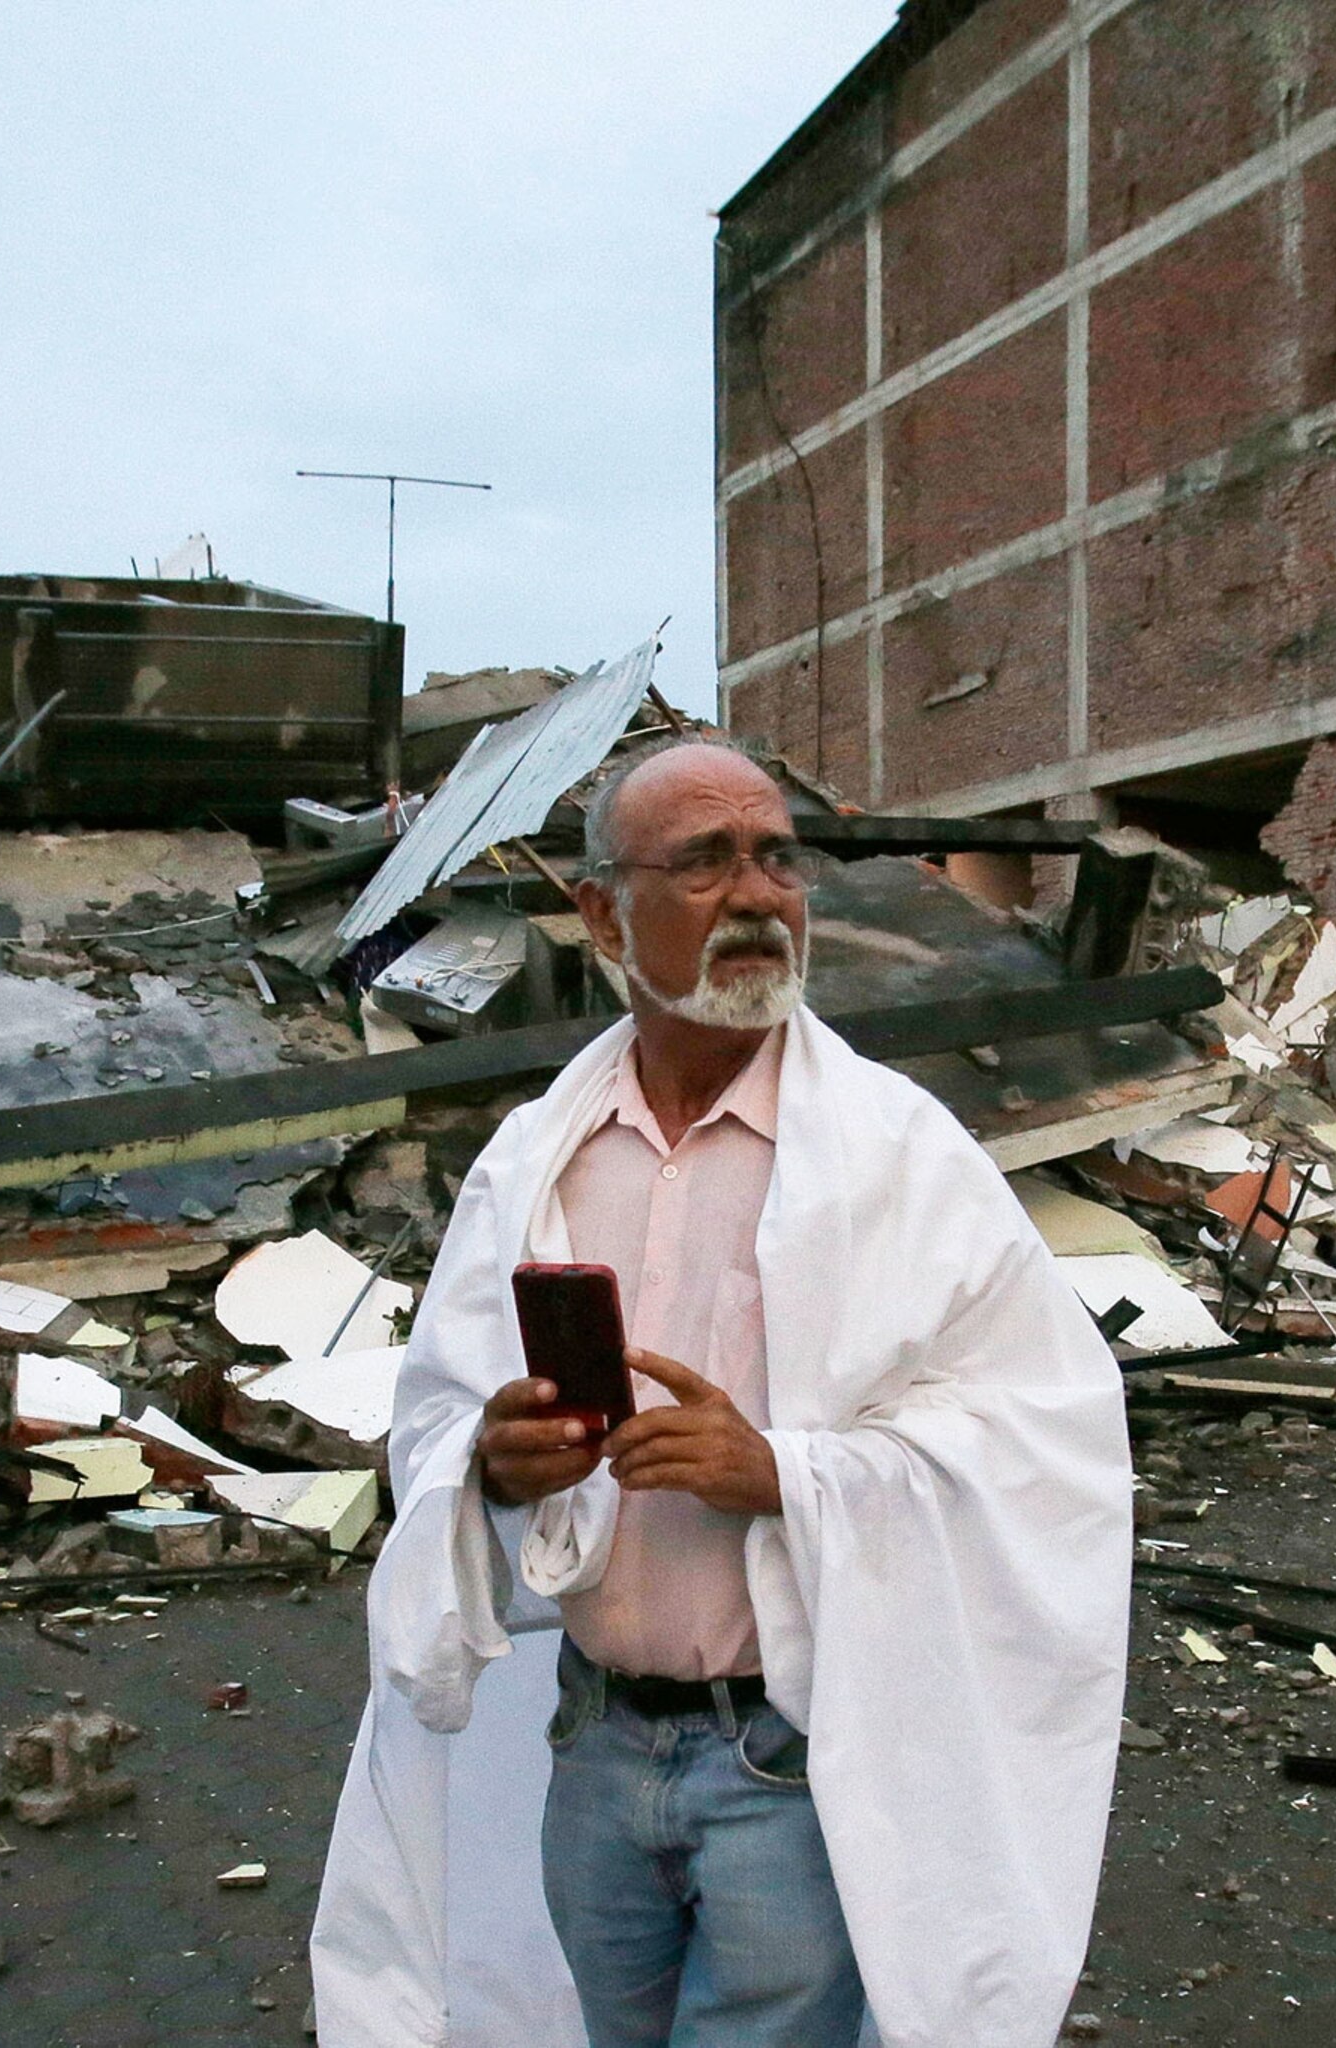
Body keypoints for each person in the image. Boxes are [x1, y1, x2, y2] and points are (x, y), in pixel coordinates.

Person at [311, 740, 1130, 2048]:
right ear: (599, 913)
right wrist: (491, 1461)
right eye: (704, 862)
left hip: (784, 1761)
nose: (759, 895)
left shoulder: (902, 1157)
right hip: (592, 1745)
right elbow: (434, 1417)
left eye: (778, 858)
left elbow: (1053, 1439)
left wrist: (786, 1476)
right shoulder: (539, 1159)